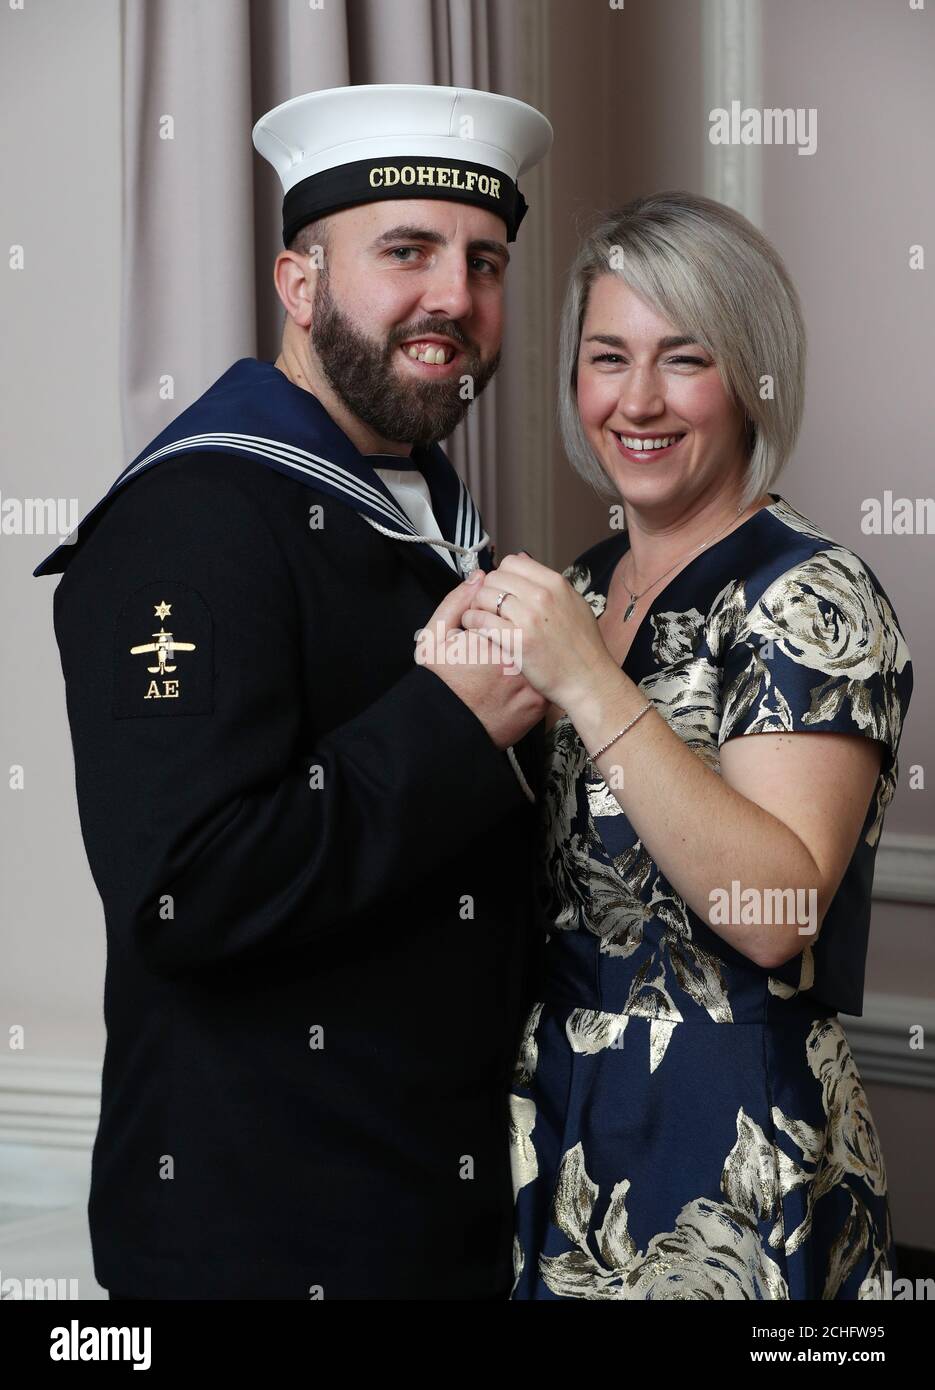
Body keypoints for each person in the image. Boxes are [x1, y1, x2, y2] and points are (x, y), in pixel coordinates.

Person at [32, 84, 553, 1300]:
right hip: (261, 1241)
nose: (452, 300)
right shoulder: (187, 519)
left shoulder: (429, 507)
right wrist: (449, 724)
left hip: (445, 1211)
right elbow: (185, 889)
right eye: (405, 252)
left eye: (483, 263)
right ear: (298, 282)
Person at [462, 191, 913, 1300]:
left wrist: (587, 680)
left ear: (752, 375)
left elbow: (777, 916)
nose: (638, 400)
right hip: (551, 1119)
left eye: (684, 359)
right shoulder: (571, 588)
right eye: (607, 358)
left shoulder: (809, 592)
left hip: (725, 1135)